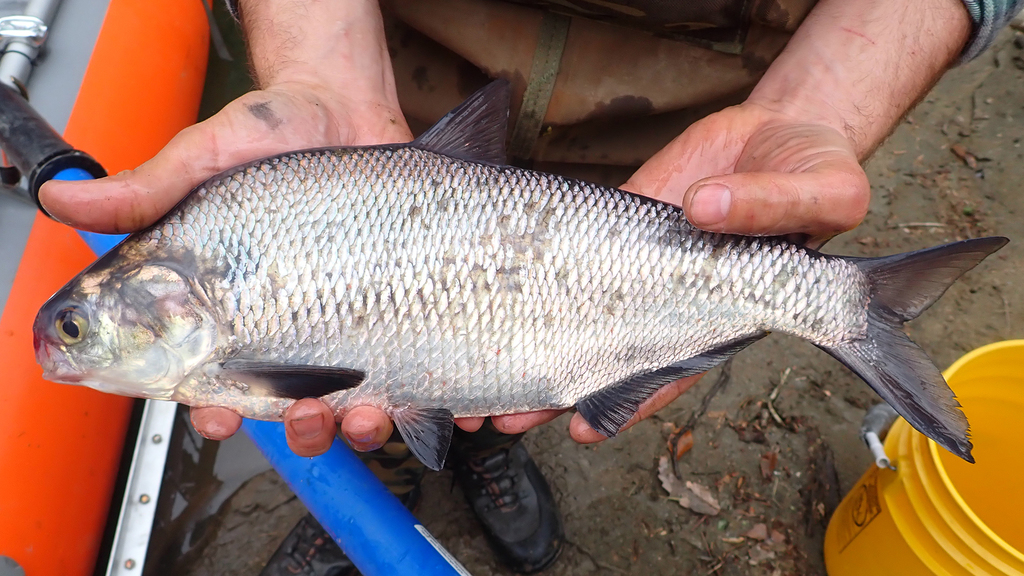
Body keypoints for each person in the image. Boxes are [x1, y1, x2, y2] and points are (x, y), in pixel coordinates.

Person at [39, 0, 1021, 573]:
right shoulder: (217, 259)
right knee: (383, 411)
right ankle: (426, 453)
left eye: (79, 330)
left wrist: (823, 105)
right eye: (79, 330)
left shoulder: (217, 322)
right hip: (389, 59)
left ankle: (461, 446)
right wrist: (312, 54)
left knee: (696, 225)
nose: (65, 347)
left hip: (712, 101)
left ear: (159, 299)